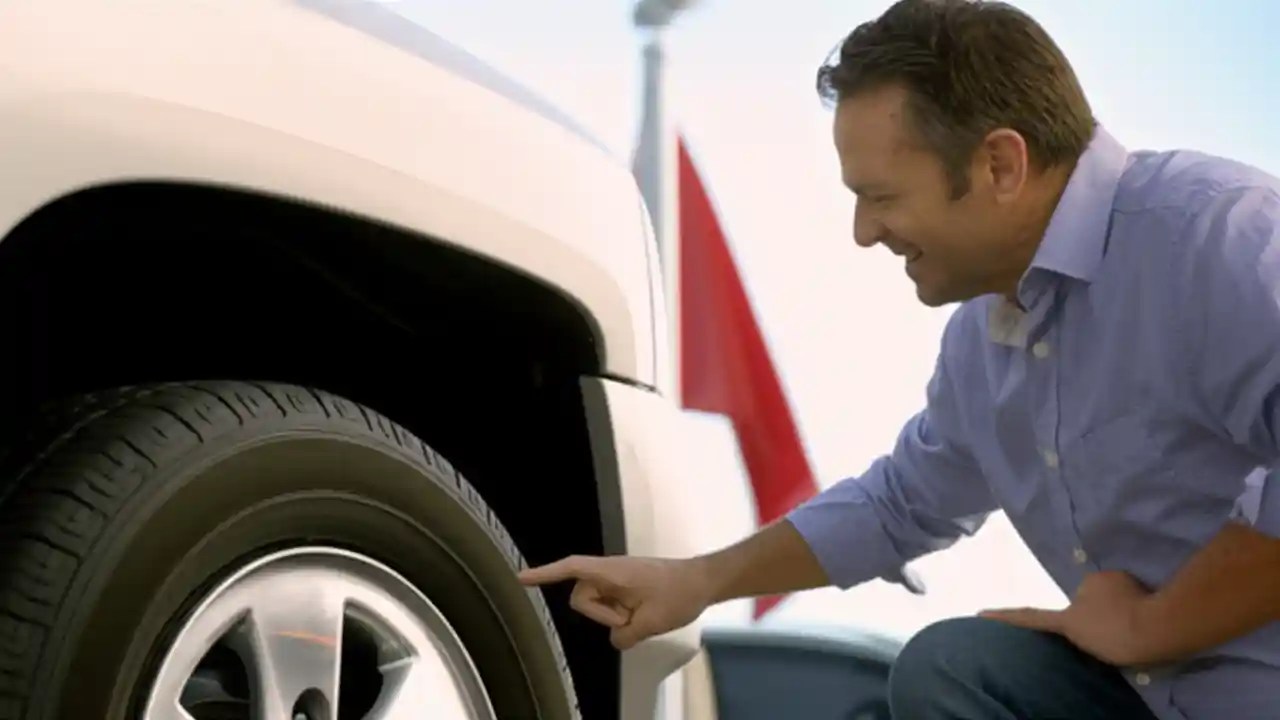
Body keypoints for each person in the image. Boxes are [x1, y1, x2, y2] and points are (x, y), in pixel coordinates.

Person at [520, 1, 1280, 718]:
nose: (863, 231)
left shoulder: (1223, 238)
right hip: (1149, 697)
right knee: (954, 668)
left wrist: (1152, 626)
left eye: (880, 196)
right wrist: (694, 580)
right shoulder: (982, 339)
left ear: (1000, 166)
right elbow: (899, 504)